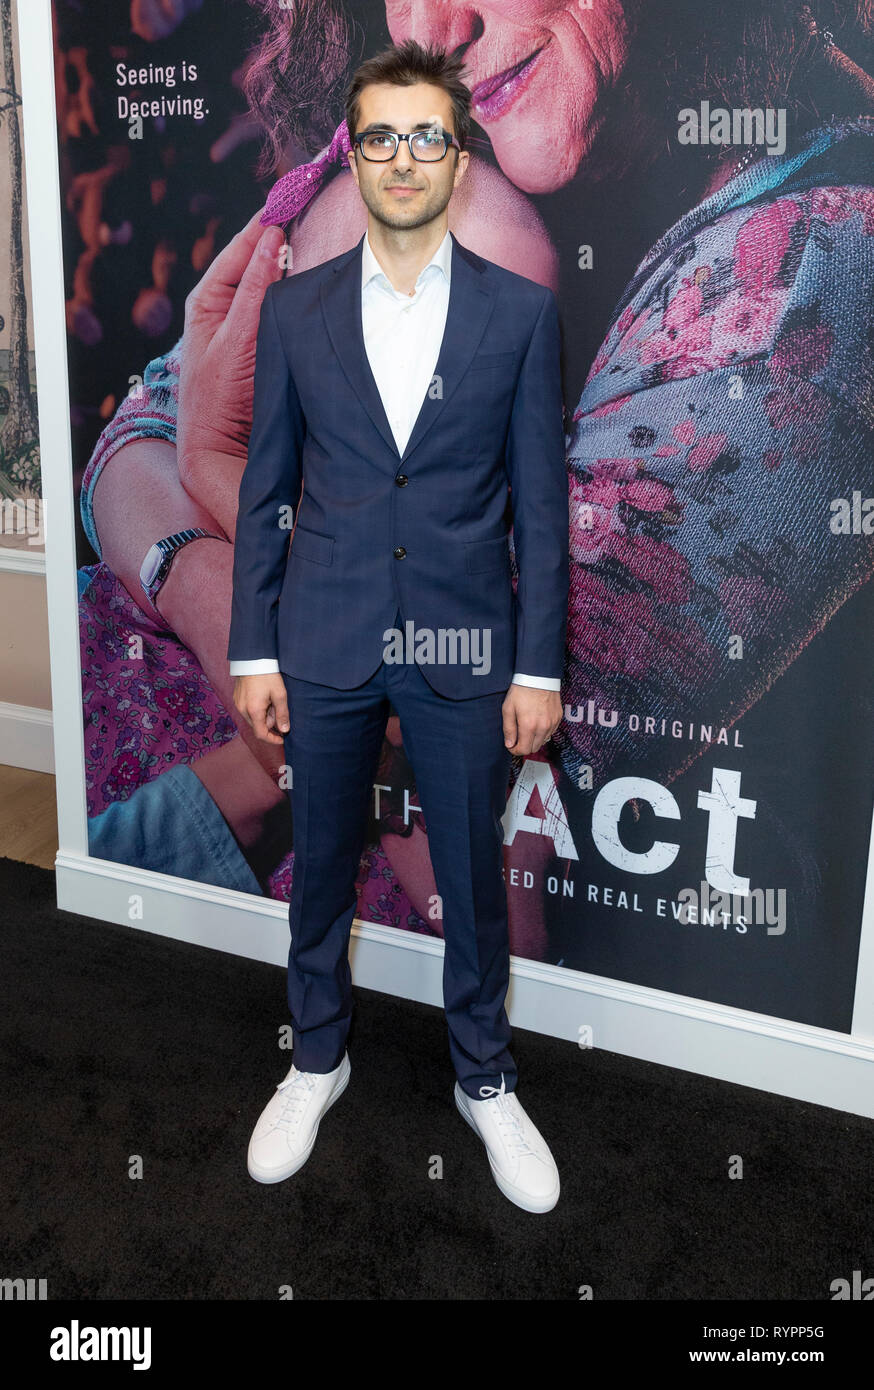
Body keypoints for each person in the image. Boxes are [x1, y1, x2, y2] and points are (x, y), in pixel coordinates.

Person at [229, 39, 569, 1212]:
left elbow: (541, 505)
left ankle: (484, 1078)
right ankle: (315, 1055)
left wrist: (537, 665)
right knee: (317, 864)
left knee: (472, 878)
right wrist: (252, 644)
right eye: (381, 136)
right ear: (357, 154)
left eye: (428, 134)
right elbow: (264, 488)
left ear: (459, 156)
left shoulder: (522, 315)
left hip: (468, 646)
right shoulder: (293, 310)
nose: (404, 157)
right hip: (320, 634)